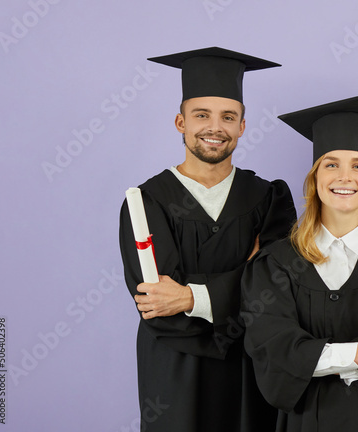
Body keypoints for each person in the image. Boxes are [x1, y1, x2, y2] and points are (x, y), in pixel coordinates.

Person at [118, 47, 294, 432]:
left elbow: (278, 285)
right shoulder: (146, 202)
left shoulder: (267, 198)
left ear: (242, 126)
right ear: (180, 121)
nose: (215, 127)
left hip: (251, 365)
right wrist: (243, 281)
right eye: (202, 115)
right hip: (173, 368)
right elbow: (155, 305)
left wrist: (189, 296)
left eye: (228, 117)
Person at [242, 95, 358, 431]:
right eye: (331, 164)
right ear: (315, 178)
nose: (344, 177)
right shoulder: (276, 262)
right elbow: (274, 347)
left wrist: (317, 357)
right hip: (304, 421)